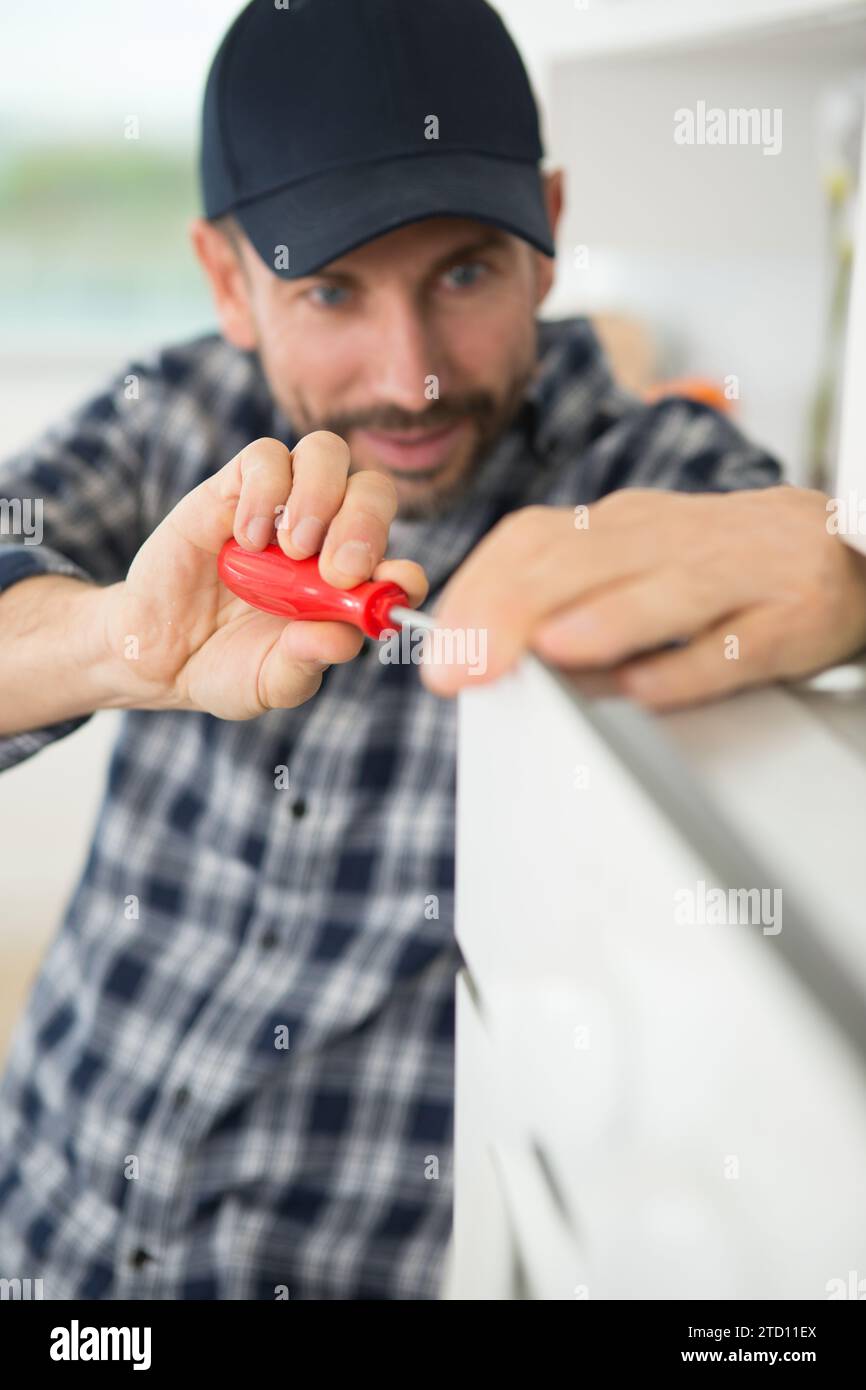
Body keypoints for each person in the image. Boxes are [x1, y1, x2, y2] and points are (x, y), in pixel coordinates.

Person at [0, 0, 864, 1301]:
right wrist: (119, 641)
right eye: (331, 289)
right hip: (42, 1217)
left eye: (463, 271)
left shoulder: (644, 468)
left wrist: (846, 566)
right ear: (227, 280)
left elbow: (784, 555)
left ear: (550, 234)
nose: (408, 377)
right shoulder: (170, 415)